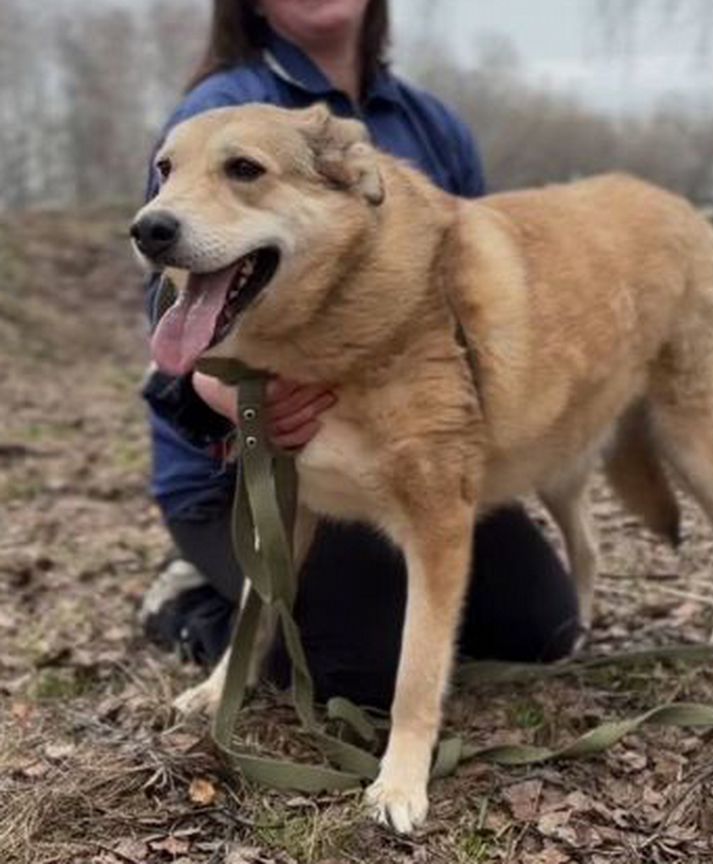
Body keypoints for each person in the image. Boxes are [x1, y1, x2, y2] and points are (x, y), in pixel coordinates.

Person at [141, 0, 581, 710]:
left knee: (541, 629)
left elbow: (481, 287)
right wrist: (237, 400)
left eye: (246, 172)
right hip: (251, 470)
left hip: (401, 448)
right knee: (352, 676)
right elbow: (165, 319)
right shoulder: (217, 112)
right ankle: (193, 599)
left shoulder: (429, 122)